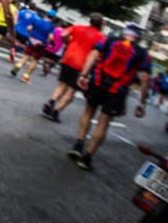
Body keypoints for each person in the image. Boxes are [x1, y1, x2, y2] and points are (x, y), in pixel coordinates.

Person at [68, 22, 151, 171]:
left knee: (88, 112)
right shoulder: (143, 53)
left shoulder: (109, 39)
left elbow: (94, 55)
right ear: (138, 36)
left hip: (98, 81)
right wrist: (142, 102)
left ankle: (79, 144)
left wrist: (84, 74)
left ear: (125, 31)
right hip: (117, 90)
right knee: (103, 123)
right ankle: (87, 157)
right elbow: (145, 79)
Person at [42, 12, 105, 122]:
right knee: (71, 91)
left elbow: (63, 35)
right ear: (100, 24)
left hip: (68, 58)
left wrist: (68, 42)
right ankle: (56, 111)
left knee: (62, 84)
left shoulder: (78, 27)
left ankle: (51, 102)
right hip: (82, 65)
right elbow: (99, 55)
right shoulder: (100, 37)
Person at [11, 9, 56, 83]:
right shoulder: (51, 26)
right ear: (53, 18)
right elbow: (51, 37)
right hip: (41, 44)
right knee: (35, 60)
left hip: (32, 40)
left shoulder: (37, 20)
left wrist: (31, 33)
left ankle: (18, 65)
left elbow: (29, 28)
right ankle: (26, 76)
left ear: (46, 14)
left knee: (26, 55)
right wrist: (51, 42)